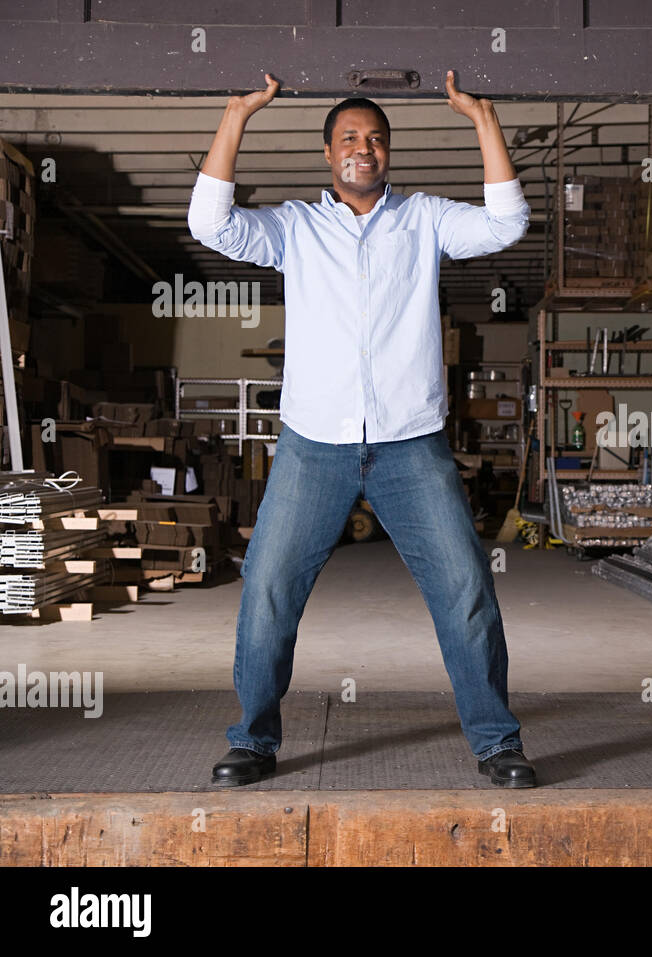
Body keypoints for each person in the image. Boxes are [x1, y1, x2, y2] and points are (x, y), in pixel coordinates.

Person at [187, 71, 535, 788]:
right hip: (313, 445)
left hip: (413, 444)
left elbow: (507, 224)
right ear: (327, 154)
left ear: (388, 154)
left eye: (375, 139)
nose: (363, 148)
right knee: (268, 588)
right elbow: (210, 225)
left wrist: (485, 120)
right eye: (349, 137)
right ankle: (253, 740)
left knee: (466, 588)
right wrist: (235, 115)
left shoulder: (426, 220)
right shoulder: (293, 228)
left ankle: (497, 740)